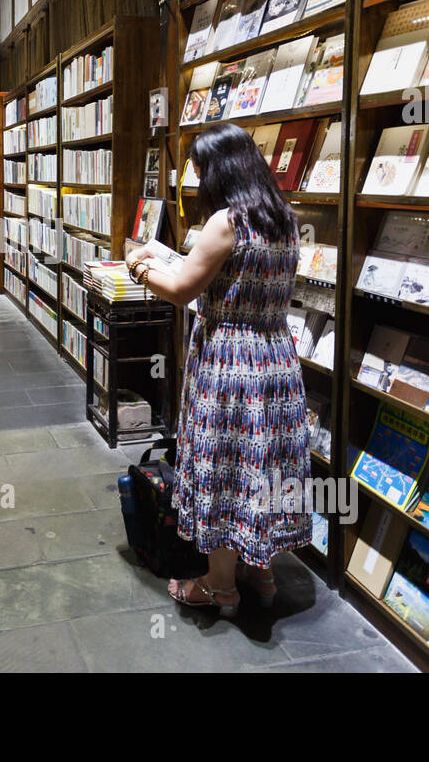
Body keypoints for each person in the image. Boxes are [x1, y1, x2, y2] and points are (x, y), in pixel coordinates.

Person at [126, 123, 310, 617]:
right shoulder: (283, 218)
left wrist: (140, 266)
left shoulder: (226, 222)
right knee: (264, 467)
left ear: (220, 171)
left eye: (202, 169)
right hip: (276, 358)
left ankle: (219, 586)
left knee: (226, 469)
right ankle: (261, 569)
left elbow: (184, 289)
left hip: (230, 362)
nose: (198, 178)